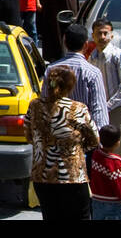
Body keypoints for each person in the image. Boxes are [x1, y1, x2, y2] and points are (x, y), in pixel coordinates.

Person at [26, 64, 99, 221]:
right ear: (71, 86)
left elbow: (28, 135)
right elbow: (95, 139)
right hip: (72, 177)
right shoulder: (78, 108)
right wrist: (78, 149)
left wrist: (43, 146)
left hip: (42, 176)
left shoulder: (34, 106)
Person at [89, 18, 121, 179]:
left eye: (105, 33)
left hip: (117, 111)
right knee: (99, 154)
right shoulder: (92, 57)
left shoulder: (120, 56)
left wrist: (106, 106)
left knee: (119, 155)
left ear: (111, 35)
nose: (102, 37)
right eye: (98, 33)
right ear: (93, 36)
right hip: (99, 112)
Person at [43, 24, 110, 130]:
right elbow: (99, 111)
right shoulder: (93, 73)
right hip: (82, 136)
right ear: (86, 45)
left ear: (65, 43)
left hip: (56, 135)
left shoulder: (51, 69)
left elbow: (45, 103)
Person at [89, 125, 121, 219]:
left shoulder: (96, 154)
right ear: (117, 143)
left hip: (96, 200)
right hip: (112, 203)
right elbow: (119, 184)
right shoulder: (115, 161)